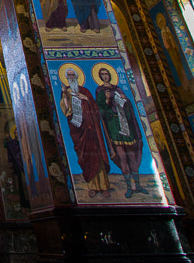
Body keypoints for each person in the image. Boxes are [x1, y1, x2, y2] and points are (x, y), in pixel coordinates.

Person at [60, 66, 110, 197]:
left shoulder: (85, 91)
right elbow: (66, 111)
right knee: (85, 157)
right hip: (78, 130)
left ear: (76, 76)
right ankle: (92, 186)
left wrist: (86, 99)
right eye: (69, 75)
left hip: (91, 128)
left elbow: (95, 107)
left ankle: (104, 186)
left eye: (72, 75)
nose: (71, 77)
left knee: (97, 155)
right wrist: (65, 94)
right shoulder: (67, 92)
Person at [95, 66, 145, 198]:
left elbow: (127, 105)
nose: (105, 76)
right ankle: (129, 187)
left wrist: (125, 99)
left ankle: (138, 186)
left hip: (126, 124)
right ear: (100, 76)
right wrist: (105, 99)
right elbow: (100, 110)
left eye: (106, 74)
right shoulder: (100, 91)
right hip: (113, 126)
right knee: (122, 156)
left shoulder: (117, 89)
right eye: (103, 74)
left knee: (132, 156)